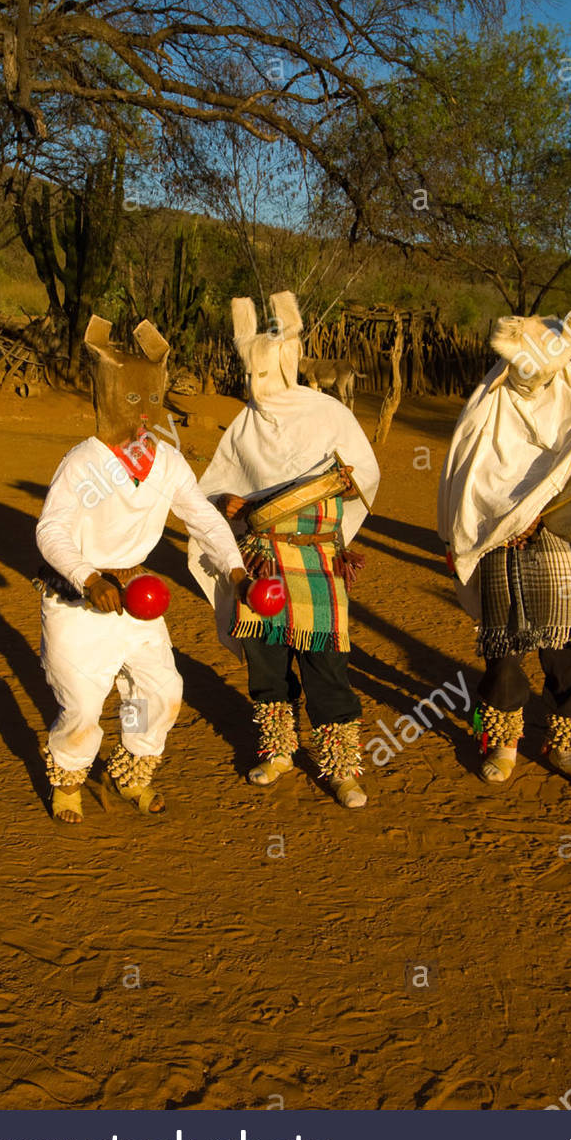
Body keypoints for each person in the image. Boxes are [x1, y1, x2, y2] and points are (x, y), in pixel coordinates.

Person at [35, 316, 248, 823]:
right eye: (132, 402)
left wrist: (237, 573)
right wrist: (89, 577)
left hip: (138, 595)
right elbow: (50, 531)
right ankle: (68, 777)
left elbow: (204, 519)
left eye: (150, 403)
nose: (142, 417)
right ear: (106, 400)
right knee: (83, 704)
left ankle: (132, 772)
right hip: (77, 600)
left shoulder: (169, 462)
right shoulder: (82, 463)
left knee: (160, 690)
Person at [437, 307, 571, 792]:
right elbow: (470, 479)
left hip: (562, 539)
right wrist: (496, 524)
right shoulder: (486, 407)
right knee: (504, 650)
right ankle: (502, 741)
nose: (532, 378)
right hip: (502, 539)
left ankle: (567, 745)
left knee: (570, 650)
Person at [188, 292, 380, 809]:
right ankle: (277, 750)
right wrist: (224, 502)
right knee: (266, 666)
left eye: (265, 376)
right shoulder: (244, 425)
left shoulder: (328, 414)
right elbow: (210, 492)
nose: (256, 387)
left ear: (287, 364)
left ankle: (340, 769)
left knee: (327, 669)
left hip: (317, 561)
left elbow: (366, 474)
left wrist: (339, 487)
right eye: (250, 377)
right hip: (260, 564)